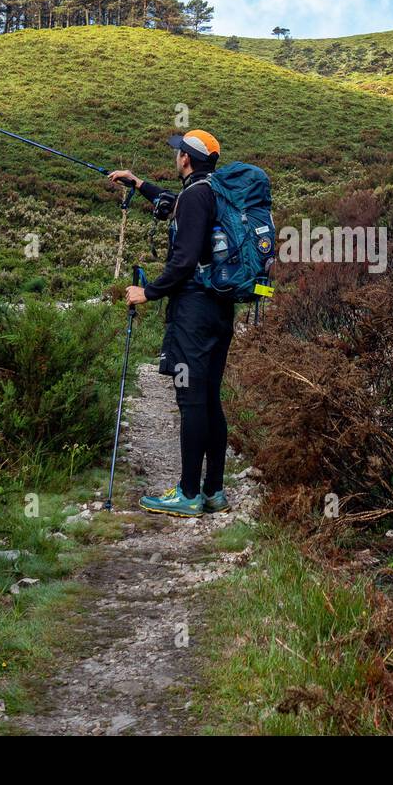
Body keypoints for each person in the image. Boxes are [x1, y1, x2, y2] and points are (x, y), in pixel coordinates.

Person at [108, 129, 234, 518]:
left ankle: (188, 493)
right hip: (220, 308)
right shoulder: (212, 191)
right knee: (210, 397)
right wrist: (139, 183)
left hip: (192, 313)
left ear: (186, 159)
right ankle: (213, 491)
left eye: (179, 152)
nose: (175, 156)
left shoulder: (196, 196)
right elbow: (175, 202)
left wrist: (149, 292)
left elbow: (184, 259)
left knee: (191, 399)